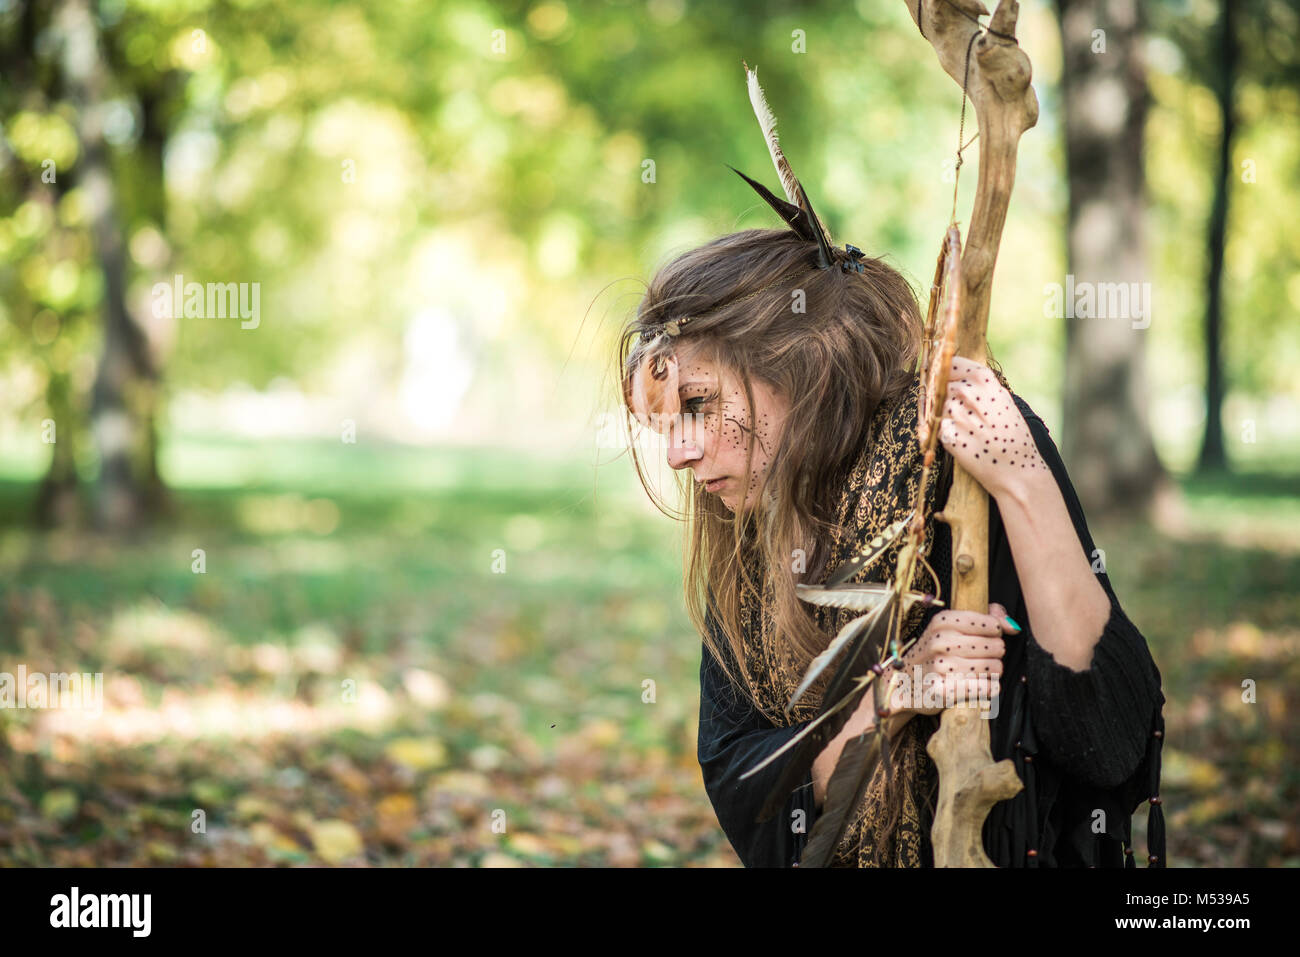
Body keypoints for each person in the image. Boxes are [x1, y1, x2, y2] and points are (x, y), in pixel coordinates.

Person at [617, 226, 1167, 868]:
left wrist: (1022, 482)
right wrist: (893, 695)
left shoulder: (964, 454)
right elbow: (752, 799)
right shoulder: (743, 552)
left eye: (698, 403)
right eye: (663, 427)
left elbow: (1105, 737)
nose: (680, 453)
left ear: (796, 362)